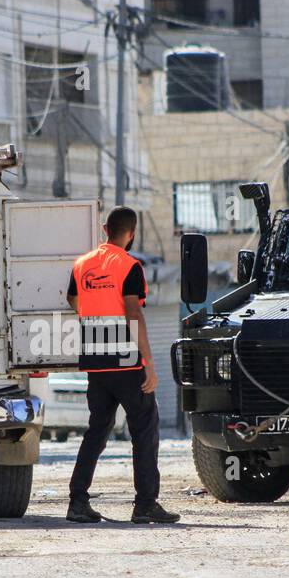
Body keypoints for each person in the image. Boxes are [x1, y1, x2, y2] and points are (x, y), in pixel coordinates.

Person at [65, 207, 180, 524]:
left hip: (95, 358)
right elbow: (134, 313)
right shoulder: (130, 266)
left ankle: (77, 501)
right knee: (144, 429)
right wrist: (150, 364)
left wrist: (95, 314)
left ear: (105, 229)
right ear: (132, 233)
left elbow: (73, 300)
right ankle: (145, 505)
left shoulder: (81, 264)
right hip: (126, 360)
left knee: (97, 431)